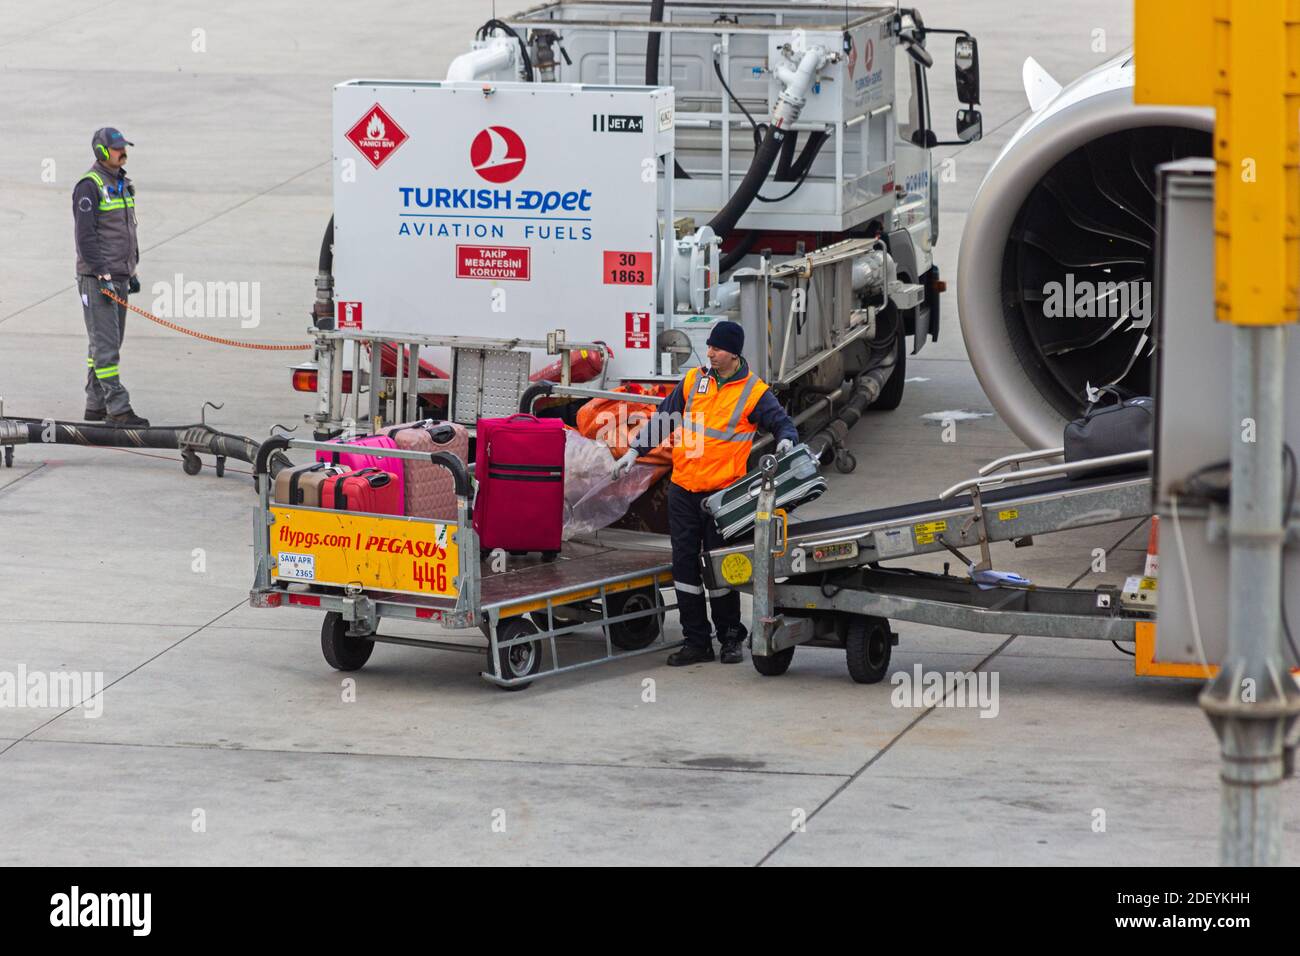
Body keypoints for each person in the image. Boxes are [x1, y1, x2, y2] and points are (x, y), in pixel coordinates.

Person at [614, 320, 797, 665]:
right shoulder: (694, 380)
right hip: (683, 489)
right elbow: (665, 417)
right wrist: (634, 451)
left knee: (720, 571)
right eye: (710, 346)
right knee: (684, 568)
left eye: (717, 348)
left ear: (734, 353)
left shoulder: (753, 392)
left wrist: (787, 440)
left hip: (723, 497)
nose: (710, 352)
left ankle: (730, 637)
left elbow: (782, 423)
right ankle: (695, 641)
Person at [73, 127, 148, 427]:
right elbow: (85, 237)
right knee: (106, 346)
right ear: (102, 152)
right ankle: (118, 409)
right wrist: (101, 272)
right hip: (97, 278)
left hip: (119, 275)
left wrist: (131, 270)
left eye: (123, 147)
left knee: (108, 343)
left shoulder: (122, 183)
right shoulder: (89, 186)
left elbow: (128, 229)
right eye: (117, 148)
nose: (122, 151)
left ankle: (95, 404)